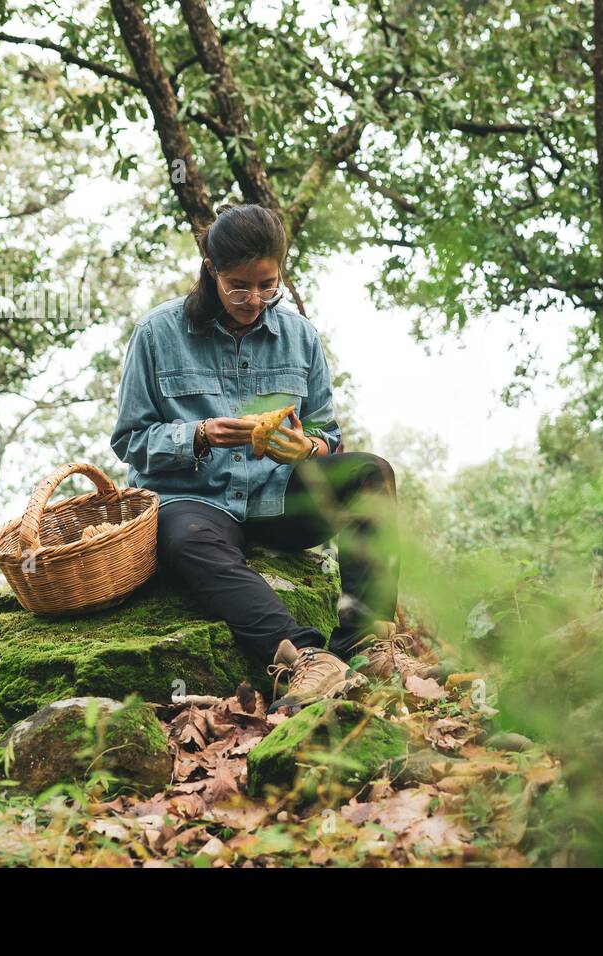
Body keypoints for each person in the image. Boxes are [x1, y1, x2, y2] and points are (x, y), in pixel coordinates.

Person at [110, 203, 430, 714]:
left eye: (268, 285)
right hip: (192, 499)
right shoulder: (157, 333)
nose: (253, 299)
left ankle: (366, 645)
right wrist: (199, 435)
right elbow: (130, 440)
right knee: (185, 540)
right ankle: (306, 657)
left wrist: (311, 448)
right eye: (239, 285)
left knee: (372, 473)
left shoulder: (299, 335)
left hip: (274, 495)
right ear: (211, 270)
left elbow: (329, 431)